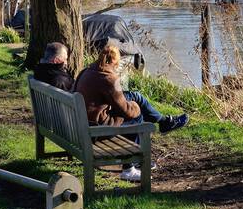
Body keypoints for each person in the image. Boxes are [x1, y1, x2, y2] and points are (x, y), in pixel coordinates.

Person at [73, 43, 187, 182]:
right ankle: (129, 167)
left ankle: (162, 122)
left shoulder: (87, 71)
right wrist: (135, 108)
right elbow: (126, 111)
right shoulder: (109, 79)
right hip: (96, 130)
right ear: (116, 62)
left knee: (136, 97)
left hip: (83, 123)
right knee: (136, 116)